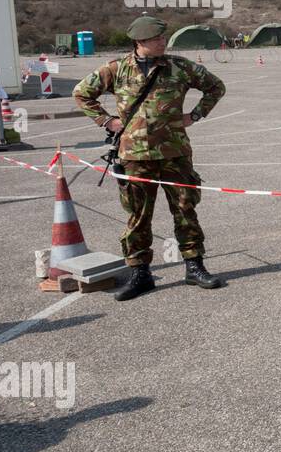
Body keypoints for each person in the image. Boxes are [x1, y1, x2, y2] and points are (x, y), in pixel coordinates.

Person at [73, 16, 227, 301]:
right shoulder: (117, 69)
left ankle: (195, 267)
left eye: (162, 38)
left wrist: (194, 115)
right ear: (139, 42)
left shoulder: (179, 67)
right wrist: (106, 121)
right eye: (155, 39)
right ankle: (140, 274)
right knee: (138, 216)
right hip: (135, 156)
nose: (162, 42)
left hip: (175, 153)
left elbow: (216, 87)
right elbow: (82, 93)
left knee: (185, 210)